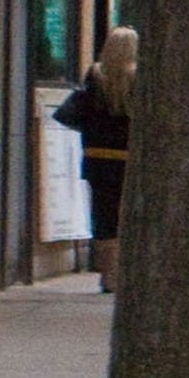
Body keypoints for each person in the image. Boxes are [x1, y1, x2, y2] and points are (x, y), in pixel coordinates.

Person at [53, 26, 139, 294]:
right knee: (131, 216)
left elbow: (73, 114)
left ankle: (109, 275)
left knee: (103, 216)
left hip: (97, 160)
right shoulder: (139, 79)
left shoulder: (95, 76)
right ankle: (128, 272)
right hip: (130, 160)